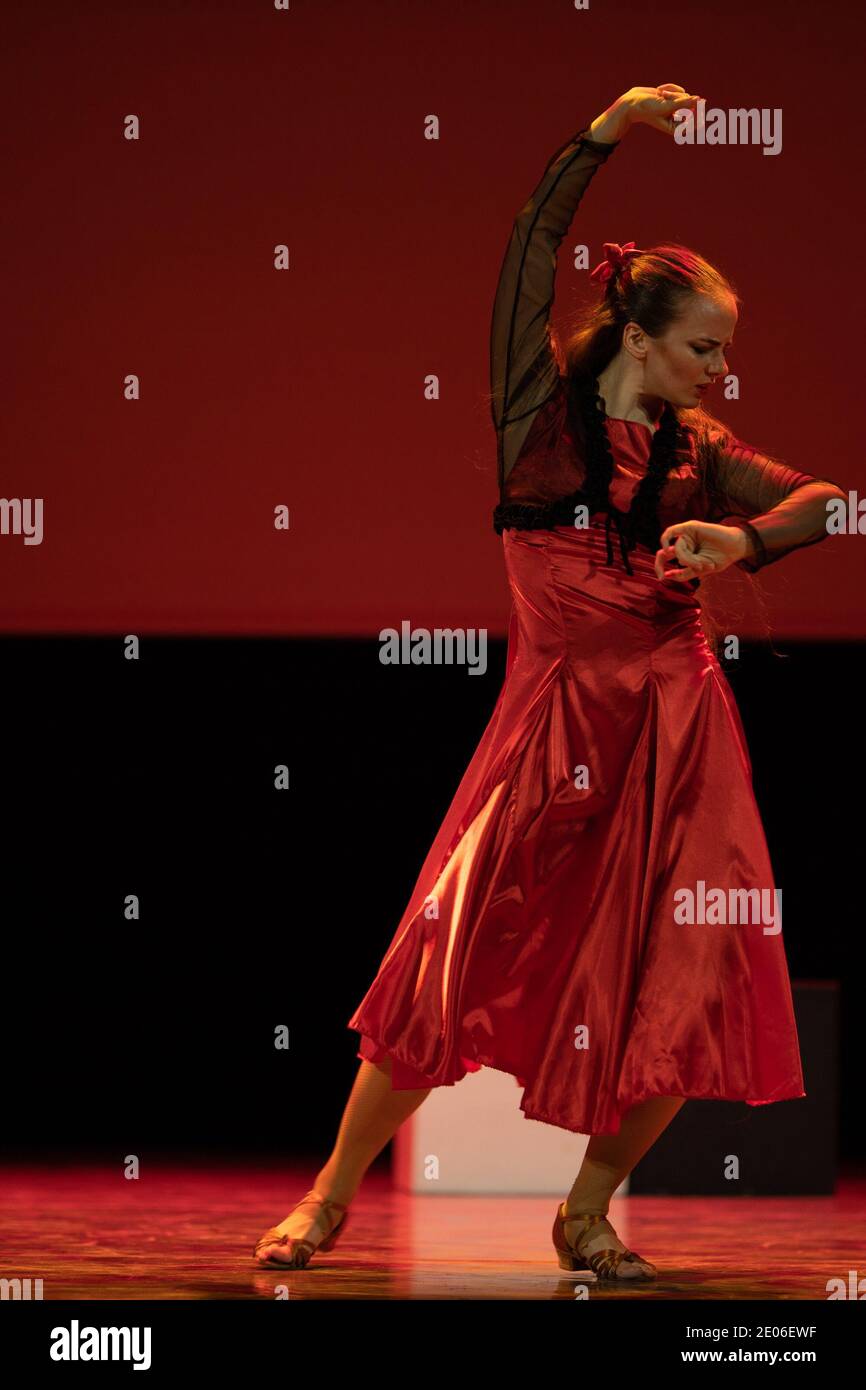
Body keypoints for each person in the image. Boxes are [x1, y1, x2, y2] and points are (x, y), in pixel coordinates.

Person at [254, 85, 847, 1281]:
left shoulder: (698, 454)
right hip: (553, 727)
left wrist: (742, 542)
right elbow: (529, 250)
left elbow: (826, 500)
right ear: (638, 338)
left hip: (679, 735)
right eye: (702, 346)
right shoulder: (538, 421)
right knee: (449, 955)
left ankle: (585, 1211)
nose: (718, 367)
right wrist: (603, 133)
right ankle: (327, 1196)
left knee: (689, 974)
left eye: (722, 350)